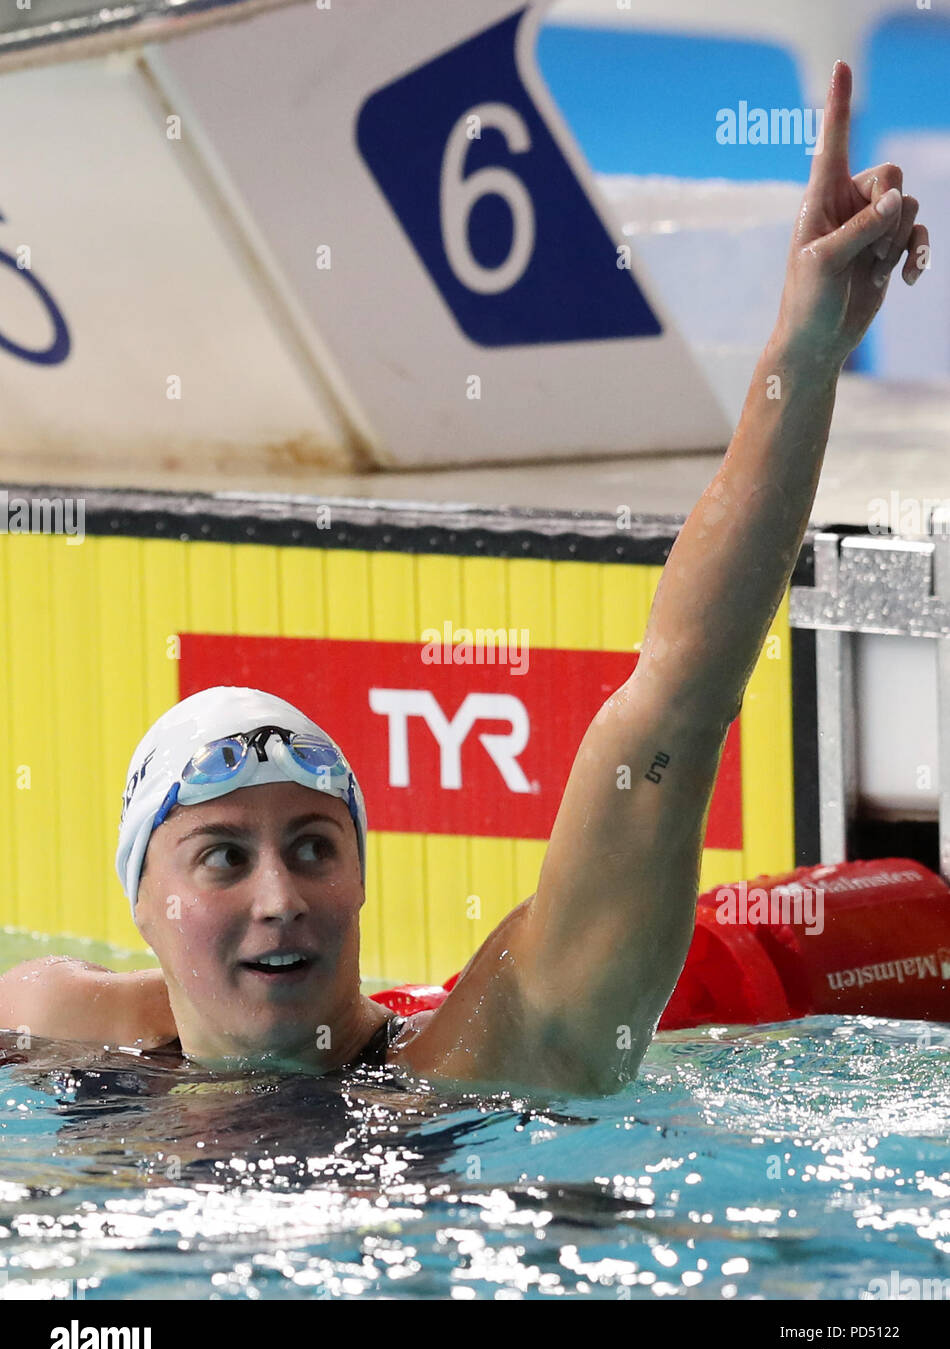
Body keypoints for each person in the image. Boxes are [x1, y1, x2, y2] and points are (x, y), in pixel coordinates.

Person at [0, 61, 930, 1095]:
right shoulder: (57, 1028)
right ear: (141, 903)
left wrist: (803, 350)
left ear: (360, 876)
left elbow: (679, 695)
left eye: (314, 849)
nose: (280, 899)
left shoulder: (479, 1056)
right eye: (223, 857)